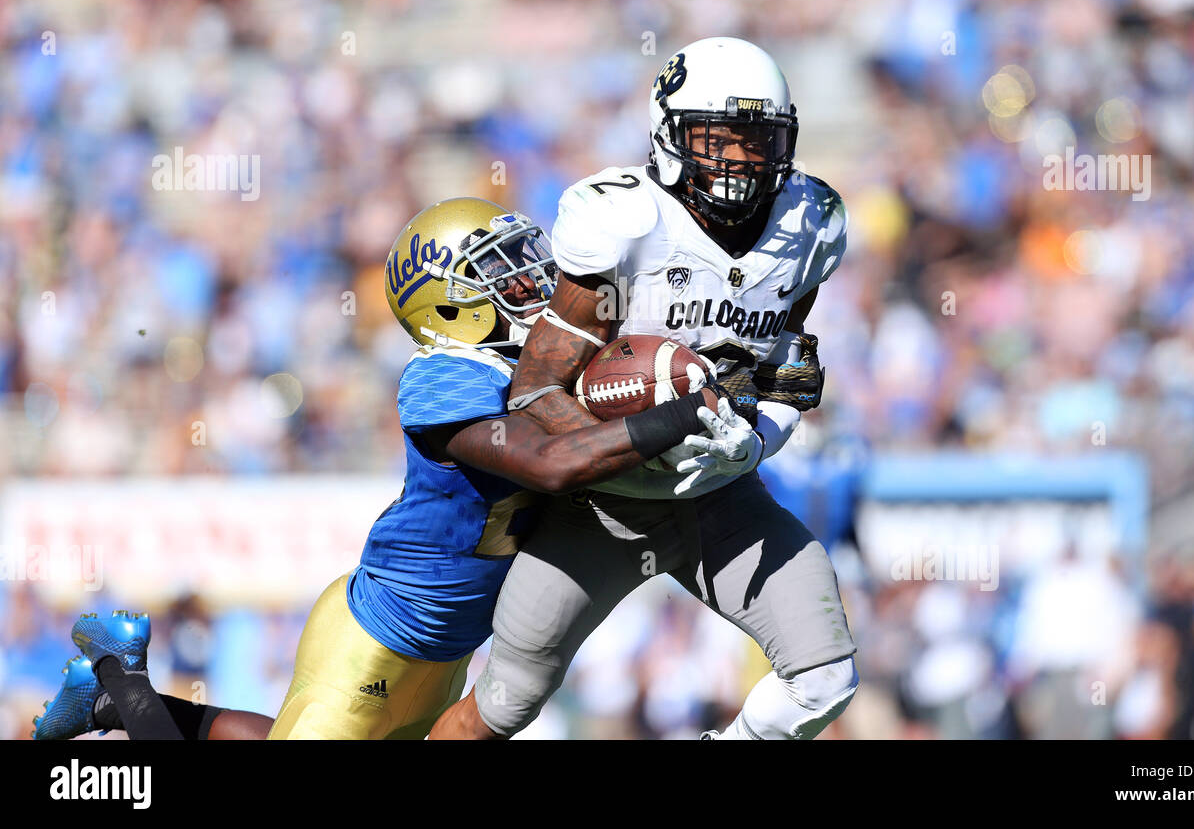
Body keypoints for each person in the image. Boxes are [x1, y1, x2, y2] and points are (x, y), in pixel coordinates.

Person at [33, 198, 724, 740]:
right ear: (449, 305)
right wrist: (686, 413)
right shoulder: (444, 376)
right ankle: (117, 674)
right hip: (378, 635)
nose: (535, 279)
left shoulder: (542, 366)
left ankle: (103, 703)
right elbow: (549, 464)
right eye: (502, 268)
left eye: (528, 258)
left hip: (446, 649)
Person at [431, 38, 860, 741]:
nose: (740, 160)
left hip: (720, 497)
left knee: (825, 680)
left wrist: (756, 441)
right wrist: (633, 443)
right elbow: (535, 385)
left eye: (759, 140)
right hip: (602, 506)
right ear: (669, 133)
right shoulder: (626, 222)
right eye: (718, 138)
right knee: (503, 705)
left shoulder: (807, 224)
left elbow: (786, 367)